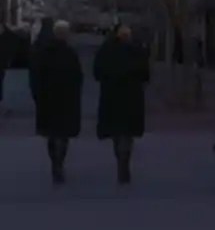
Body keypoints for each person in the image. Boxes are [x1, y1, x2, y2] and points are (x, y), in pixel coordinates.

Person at [94, 23, 150, 184]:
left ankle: (121, 158)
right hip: (132, 97)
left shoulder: (106, 50)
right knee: (127, 132)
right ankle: (123, 160)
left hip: (112, 96)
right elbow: (145, 74)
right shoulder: (137, 51)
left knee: (117, 132)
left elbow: (97, 72)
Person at [30, 20, 83, 184]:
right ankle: (59, 162)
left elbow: (36, 77)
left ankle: (56, 161)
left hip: (49, 100)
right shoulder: (70, 54)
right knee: (63, 134)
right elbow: (78, 79)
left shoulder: (44, 53)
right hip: (66, 101)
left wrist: (38, 96)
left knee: (52, 134)